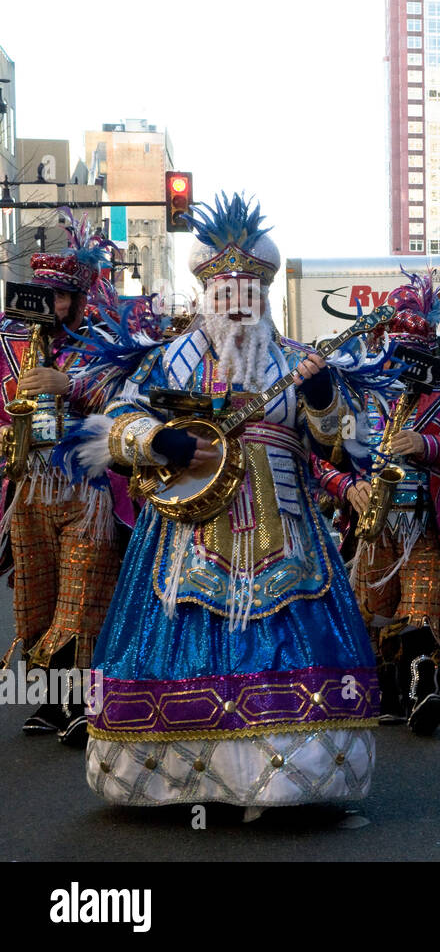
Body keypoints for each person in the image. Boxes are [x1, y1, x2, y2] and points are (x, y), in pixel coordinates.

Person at [63, 193, 383, 812]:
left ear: (264, 298)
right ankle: (186, 775)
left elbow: (344, 448)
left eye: (249, 293)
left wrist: (324, 399)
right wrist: (162, 441)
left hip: (286, 529)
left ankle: (283, 776)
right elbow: (117, 423)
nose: (238, 305)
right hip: (189, 531)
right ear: (207, 296)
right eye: (225, 293)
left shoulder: (299, 362)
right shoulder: (169, 361)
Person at [315, 272, 440, 735]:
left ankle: (422, 690)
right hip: (371, 525)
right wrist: (347, 486)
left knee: (423, 607)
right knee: (376, 611)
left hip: (426, 522)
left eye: (415, 349)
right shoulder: (355, 392)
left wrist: (427, 444)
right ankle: (389, 689)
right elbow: (320, 457)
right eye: (397, 349)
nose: (405, 360)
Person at [0, 214, 132, 747]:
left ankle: (82, 701)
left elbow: (124, 405)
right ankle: (51, 700)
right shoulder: (8, 342)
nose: (51, 305)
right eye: (44, 294)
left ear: (79, 300)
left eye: (61, 296)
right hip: (27, 487)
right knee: (36, 598)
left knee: (82, 595)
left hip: (87, 488)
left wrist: (68, 385)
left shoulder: (105, 343)